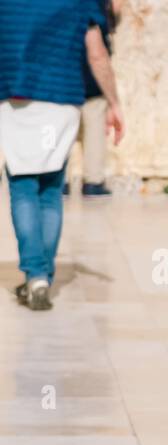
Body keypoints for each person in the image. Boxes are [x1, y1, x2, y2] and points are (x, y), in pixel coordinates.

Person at [0, 0, 123, 312]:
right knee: (51, 188)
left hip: (15, 97)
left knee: (23, 185)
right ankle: (43, 277)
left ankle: (36, 275)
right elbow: (97, 54)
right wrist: (114, 103)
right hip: (62, 98)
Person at [74, 0, 121, 197]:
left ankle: (59, 180)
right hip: (93, 60)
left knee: (62, 123)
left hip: (66, 59)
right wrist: (115, 102)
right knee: (95, 117)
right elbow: (117, 7)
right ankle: (93, 180)